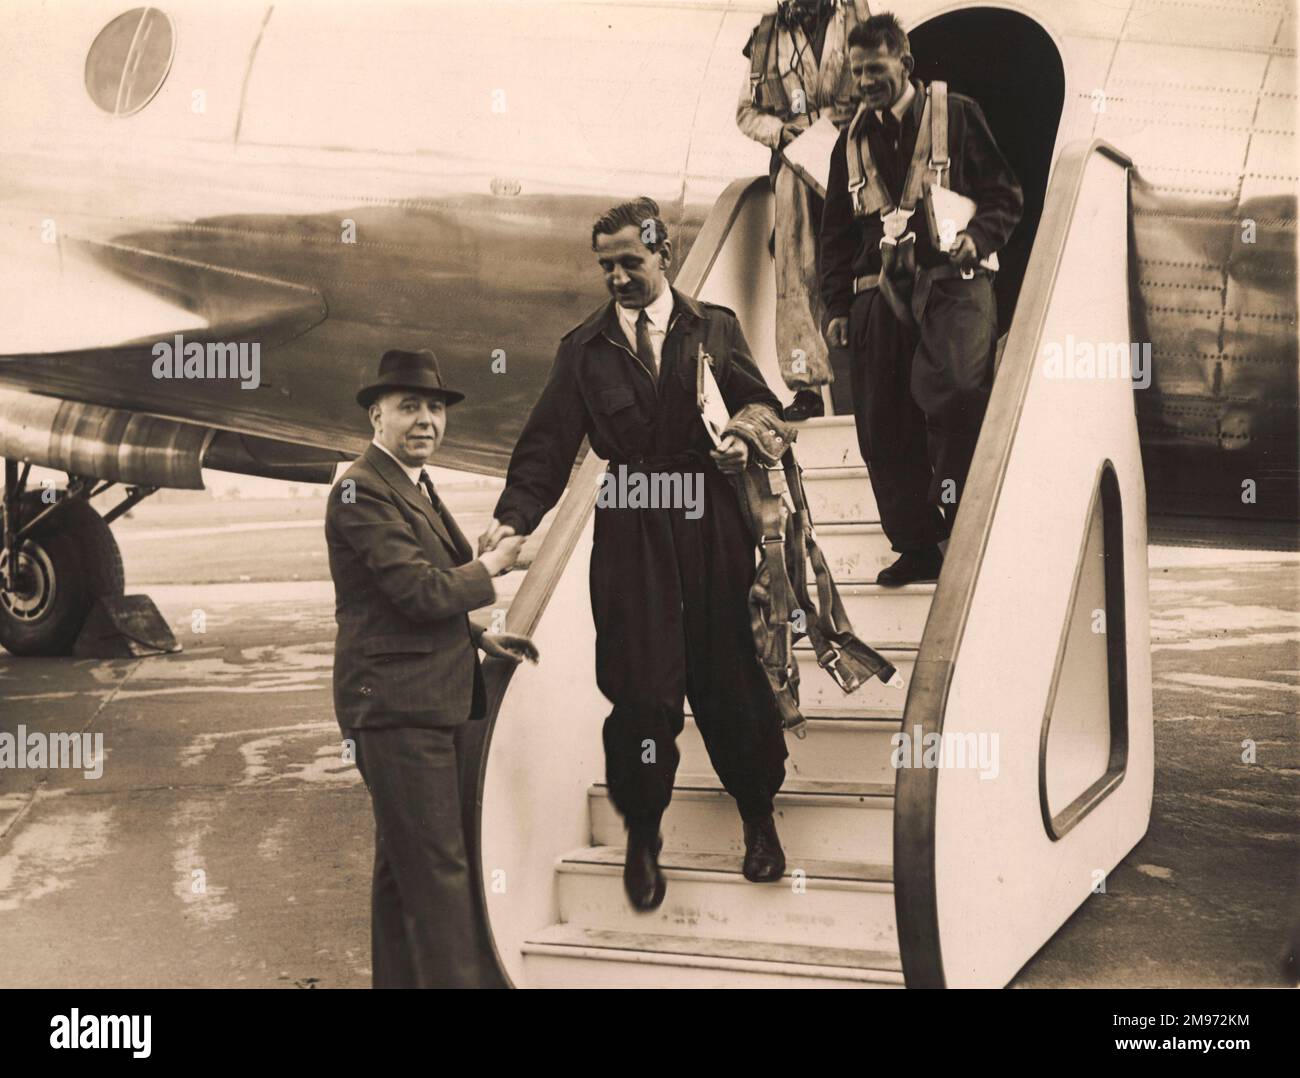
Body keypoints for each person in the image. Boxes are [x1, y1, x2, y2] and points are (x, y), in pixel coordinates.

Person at [478, 198, 789, 912]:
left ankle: (757, 818)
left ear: (664, 257)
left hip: (712, 521)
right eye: (606, 266)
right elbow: (546, 449)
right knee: (641, 696)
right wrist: (512, 520)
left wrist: (744, 431)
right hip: (633, 529)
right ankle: (644, 839)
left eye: (631, 262)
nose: (617, 277)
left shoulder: (712, 329)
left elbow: (764, 403)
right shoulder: (583, 350)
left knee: (730, 680)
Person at [326, 347, 538, 988]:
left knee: (403, 868)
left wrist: (476, 637)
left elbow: (400, 602)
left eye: (436, 407)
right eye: (410, 406)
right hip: (398, 708)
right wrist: (494, 568)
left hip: (420, 696)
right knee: (441, 873)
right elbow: (417, 591)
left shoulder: (408, 483)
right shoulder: (363, 488)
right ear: (376, 415)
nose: (427, 420)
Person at [820, 13, 1022, 585]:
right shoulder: (850, 140)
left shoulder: (957, 116)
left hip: (954, 280)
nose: (864, 82)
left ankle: (960, 519)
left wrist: (976, 238)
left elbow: (1004, 195)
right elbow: (835, 230)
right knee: (880, 423)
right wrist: (836, 305)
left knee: (957, 390)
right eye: (856, 73)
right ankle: (915, 544)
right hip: (875, 293)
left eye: (875, 69)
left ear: (904, 64)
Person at [736, 0, 870, 421]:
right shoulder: (766, 37)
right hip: (796, 168)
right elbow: (746, 111)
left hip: (855, 158)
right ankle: (806, 385)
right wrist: (781, 130)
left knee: (858, 260)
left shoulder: (860, 21)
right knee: (795, 273)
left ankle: (870, 378)